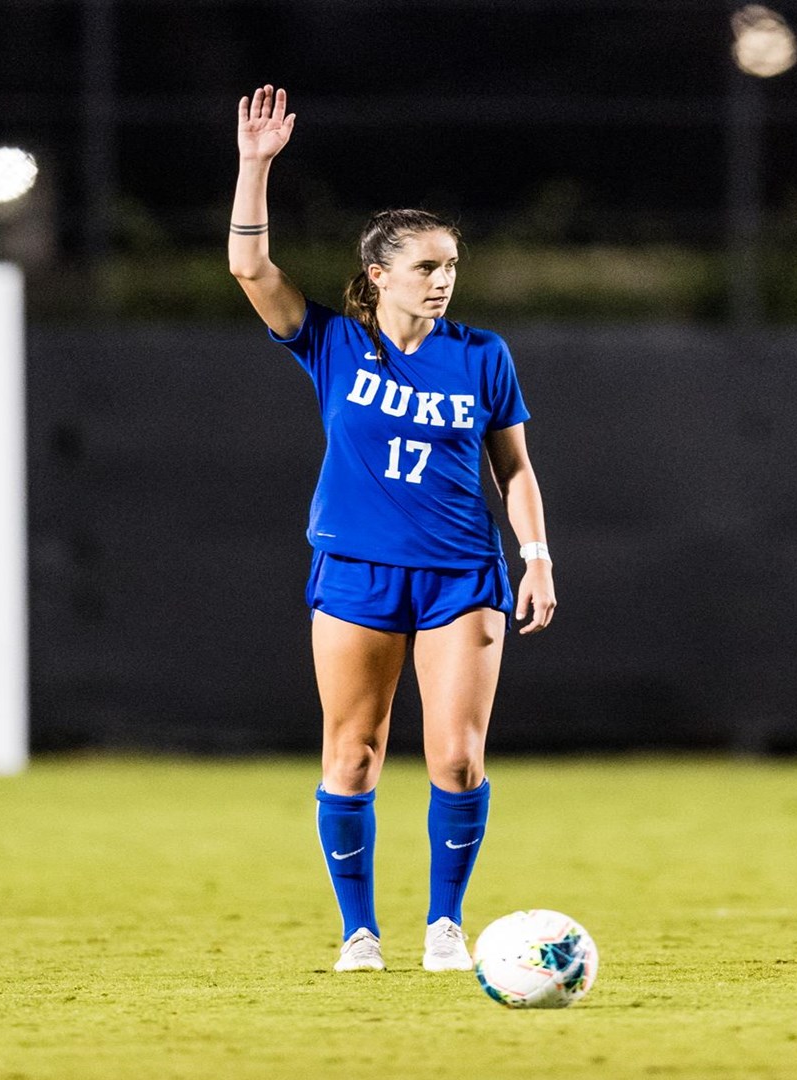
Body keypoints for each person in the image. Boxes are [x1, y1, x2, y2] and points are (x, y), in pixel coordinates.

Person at [226, 85, 557, 973]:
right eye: (425, 266)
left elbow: (513, 467)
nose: (443, 278)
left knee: (455, 758)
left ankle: (445, 925)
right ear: (379, 274)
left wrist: (535, 556)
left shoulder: (481, 355)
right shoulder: (333, 343)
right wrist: (256, 166)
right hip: (359, 569)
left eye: (450, 264)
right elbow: (252, 273)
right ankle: (359, 932)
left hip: (462, 573)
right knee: (355, 752)